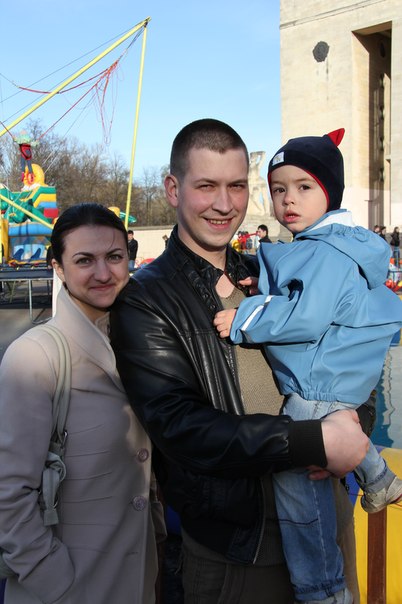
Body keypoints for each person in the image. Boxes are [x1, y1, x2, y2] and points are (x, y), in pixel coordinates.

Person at [110, 119, 370, 604]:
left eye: (236, 186)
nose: (225, 204)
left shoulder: (268, 273)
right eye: (206, 186)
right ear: (173, 189)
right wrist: (311, 441)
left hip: (327, 525)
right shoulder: (145, 300)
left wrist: (356, 424)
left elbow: (349, 350)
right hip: (244, 553)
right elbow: (180, 426)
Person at [214, 129, 402, 603]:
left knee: (296, 481)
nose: (289, 200)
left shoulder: (324, 252)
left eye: (304, 187)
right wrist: (265, 287)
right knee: (324, 446)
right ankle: (379, 479)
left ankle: (321, 589)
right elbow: (303, 294)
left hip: (316, 383)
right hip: (332, 379)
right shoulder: (326, 245)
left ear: (330, 193)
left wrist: (245, 317)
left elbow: (306, 315)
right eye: (279, 189)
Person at [0, 203, 164, 604]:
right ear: (58, 267)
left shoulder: (147, 342)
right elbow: (8, 491)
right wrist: (55, 581)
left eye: (114, 257)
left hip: (139, 578)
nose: (104, 273)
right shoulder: (36, 355)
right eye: (84, 260)